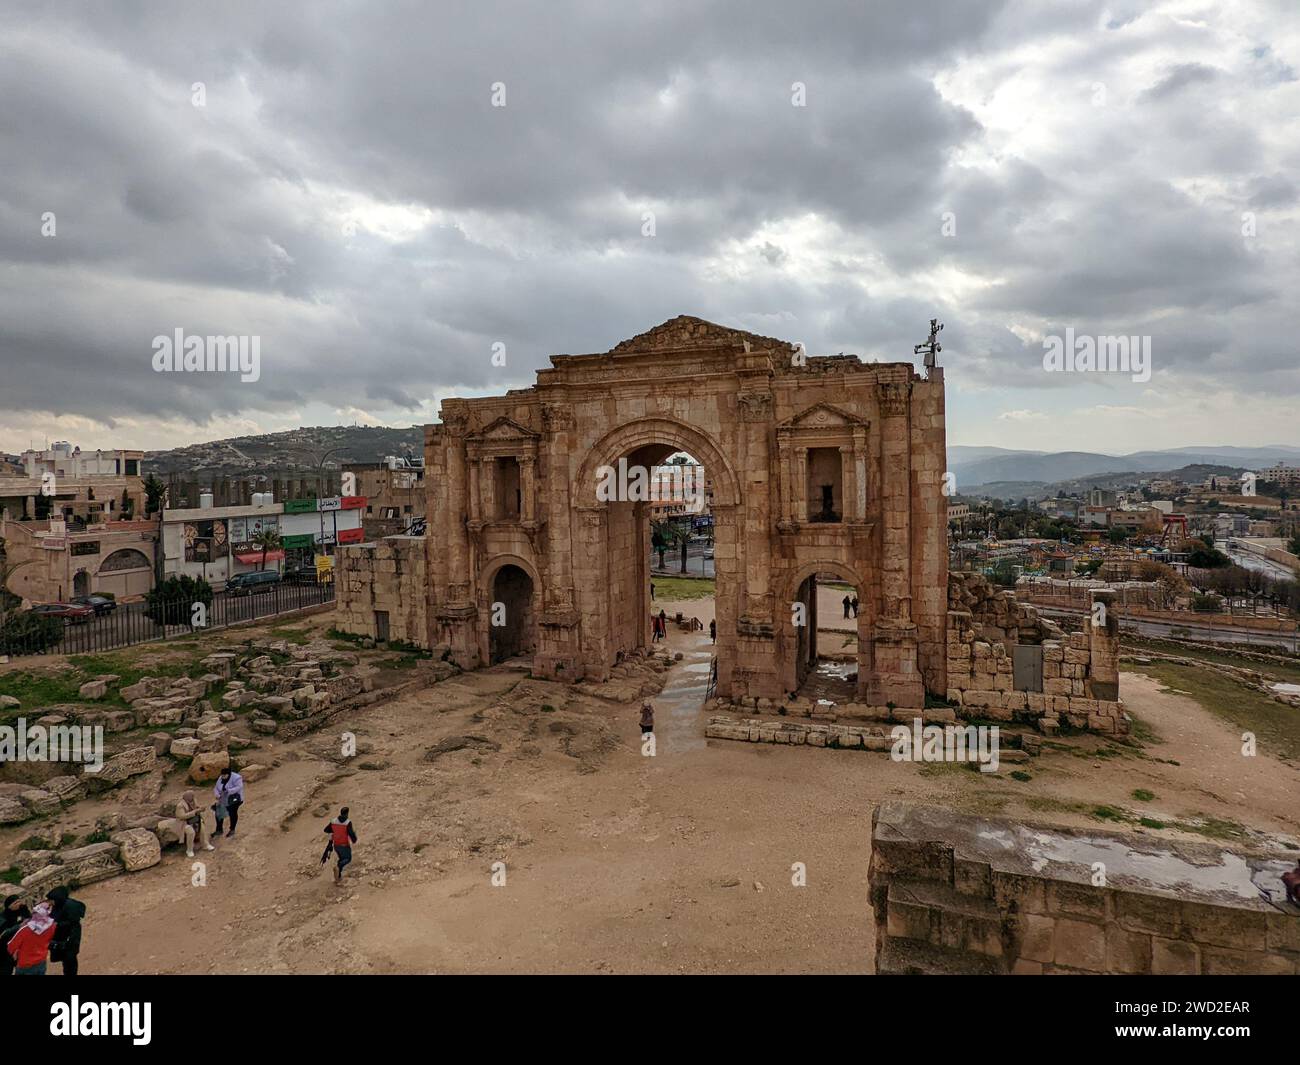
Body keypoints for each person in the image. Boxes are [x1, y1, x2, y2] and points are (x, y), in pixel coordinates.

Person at [6, 901, 55, 975]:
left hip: (25, 964)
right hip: (41, 961)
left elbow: (10, 947)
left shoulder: (25, 930)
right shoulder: (52, 926)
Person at [46, 887, 85, 976]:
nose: (50, 902)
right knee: (66, 960)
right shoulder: (58, 905)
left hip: (70, 938)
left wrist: (57, 924)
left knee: (70, 960)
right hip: (63, 937)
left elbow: (73, 922)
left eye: (51, 900)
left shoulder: (70, 906)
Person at [323, 807, 358, 884]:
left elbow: (326, 830)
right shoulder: (347, 823)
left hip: (336, 845)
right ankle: (338, 868)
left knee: (341, 859)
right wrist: (354, 839)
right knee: (348, 859)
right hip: (344, 844)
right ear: (346, 814)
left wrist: (335, 832)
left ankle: (338, 877)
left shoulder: (333, 821)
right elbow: (351, 833)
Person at [177, 790, 216, 858]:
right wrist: (194, 812)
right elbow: (181, 816)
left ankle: (205, 845)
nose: (192, 798)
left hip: (195, 820)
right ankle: (189, 850)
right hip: (185, 823)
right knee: (191, 832)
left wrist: (201, 808)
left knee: (203, 830)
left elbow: (197, 807)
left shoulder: (194, 800)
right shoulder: (180, 805)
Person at [1, 895, 31, 977]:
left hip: (21, 947)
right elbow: (3, 933)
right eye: (16, 902)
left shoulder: (21, 910)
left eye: (19, 901)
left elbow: (29, 919)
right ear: (9, 906)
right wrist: (18, 926)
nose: (19, 904)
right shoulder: (3, 917)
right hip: (6, 950)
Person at [213, 767, 245, 838]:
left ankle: (232, 829)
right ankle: (219, 830)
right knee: (218, 813)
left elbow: (239, 787)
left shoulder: (237, 777)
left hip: (235, 799)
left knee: (232, 813)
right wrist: (217, 795)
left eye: (224, 776)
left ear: (228, 774)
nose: (223, 777)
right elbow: (216, 787)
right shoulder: (221, 777)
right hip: (223, 799)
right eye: (222, 776)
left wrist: (229, 791)